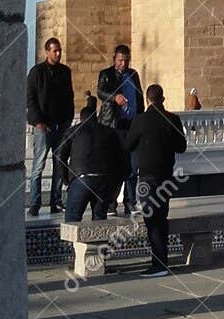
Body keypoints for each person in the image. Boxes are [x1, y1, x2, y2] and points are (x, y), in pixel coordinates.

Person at [124, 84, 188, 277]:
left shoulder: (140, 120)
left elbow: (128, 145)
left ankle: (159, 264)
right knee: (162, 217)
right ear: (163, 99)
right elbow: (181, 147)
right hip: (166, 176)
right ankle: (161, 260)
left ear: (147, 100)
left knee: (152, 220)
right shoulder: (173, 119)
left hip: (147, 177)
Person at [26, 37, 75, 217]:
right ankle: (35, 203)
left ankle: (56, 201)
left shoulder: (65, 72)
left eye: (59, 50)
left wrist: (68, 120)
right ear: (47, 52)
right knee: (38, 165)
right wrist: (38, 122)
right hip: (43, 126)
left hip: (61, 125)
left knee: (59, 163)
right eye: (55, 51)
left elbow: (69, 96)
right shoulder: (36, 72)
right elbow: (31, 99)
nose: (58, 54)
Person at [96, 44, 142, 214]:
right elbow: (100, 92)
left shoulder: (133, 74)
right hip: (114, 125)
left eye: (126, 61)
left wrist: (141, 118)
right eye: (121, 60)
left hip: (132, 125)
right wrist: (114, 97)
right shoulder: (106, 74)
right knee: (113, 165)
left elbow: (139, 96)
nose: (124, 64)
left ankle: (130, 202)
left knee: (132, 166)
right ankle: (111, 203)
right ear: (114, 59)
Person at [63, 103, 123, 223]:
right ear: (96, 117)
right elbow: (121, 157)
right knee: (99, 220)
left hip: (80, 178)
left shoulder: (72, 132)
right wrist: (116, 182)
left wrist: (66, 178)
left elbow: (60, 155)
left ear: (81, 119)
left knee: (72, 220)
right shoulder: (109, 132)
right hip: (104, 180)